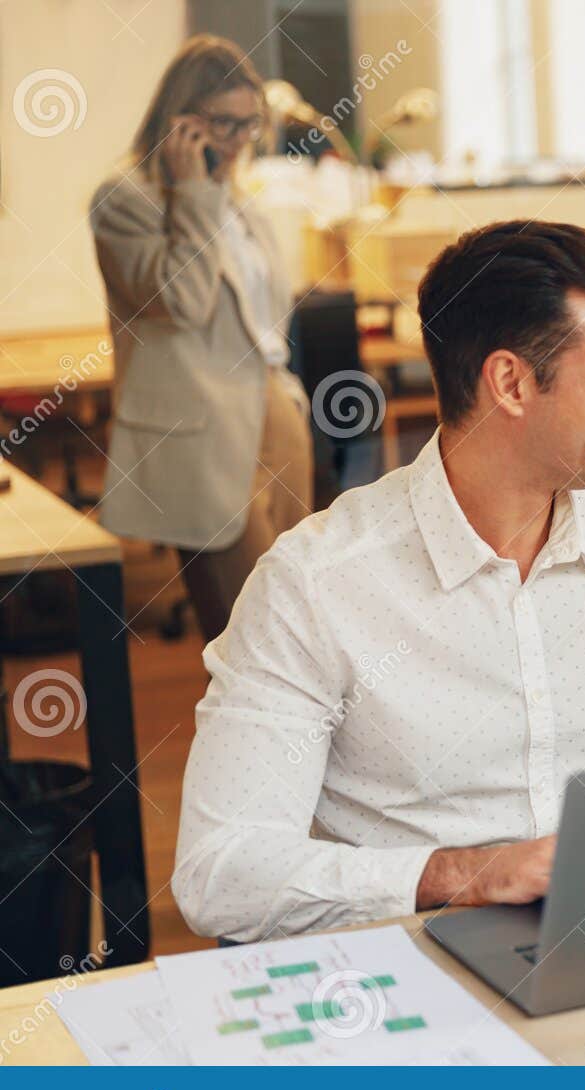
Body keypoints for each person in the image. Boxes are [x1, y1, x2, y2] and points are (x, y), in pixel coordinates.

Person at [173, 221, 585, 942]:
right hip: (406, 983)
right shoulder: (314, 586)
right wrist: (467, 874)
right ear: (512, 383)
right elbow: (221, 873)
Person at [90, 35, 312, 641]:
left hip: (274, 417)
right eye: (223, 124)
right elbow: (182, 303)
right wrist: (191, 192)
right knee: (248, 637)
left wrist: (287, 397)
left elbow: (269, 320)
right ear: (180, 120)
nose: (240, 141)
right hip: (203, 431)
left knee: (303, 616)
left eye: (250, 124)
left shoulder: (239, 202)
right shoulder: (125, 200)